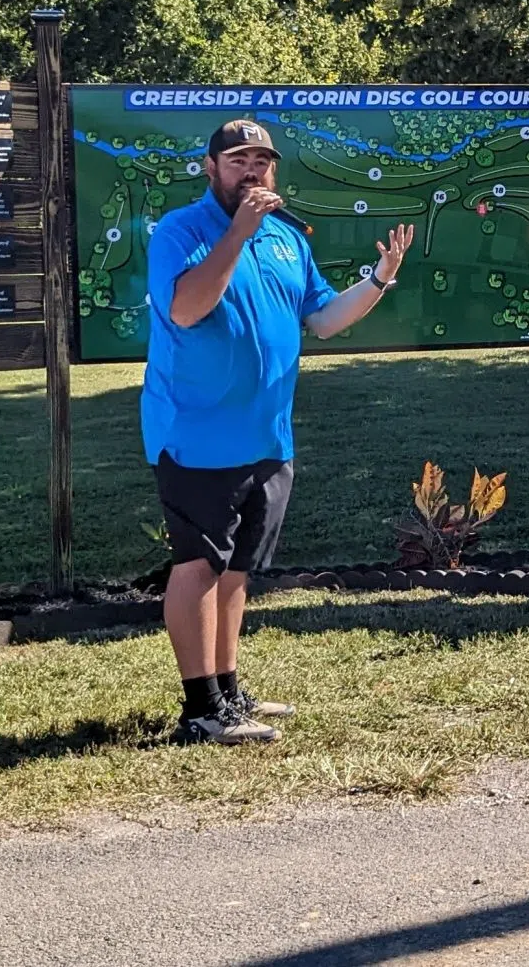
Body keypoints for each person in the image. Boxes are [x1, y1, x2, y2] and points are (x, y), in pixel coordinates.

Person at [144, 118, 415, 744]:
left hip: (267, 435)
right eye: (237, 160)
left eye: (261, 161)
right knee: (198, 567)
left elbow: (323, 319)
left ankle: (228, 691)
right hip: (196, 434)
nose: (252, 171)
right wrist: (238, 233)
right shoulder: (180, 231)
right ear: (210, 168)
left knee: (236, 571)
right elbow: (186, 308)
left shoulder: (288, 237)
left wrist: (380, 278)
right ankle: (201, 710)